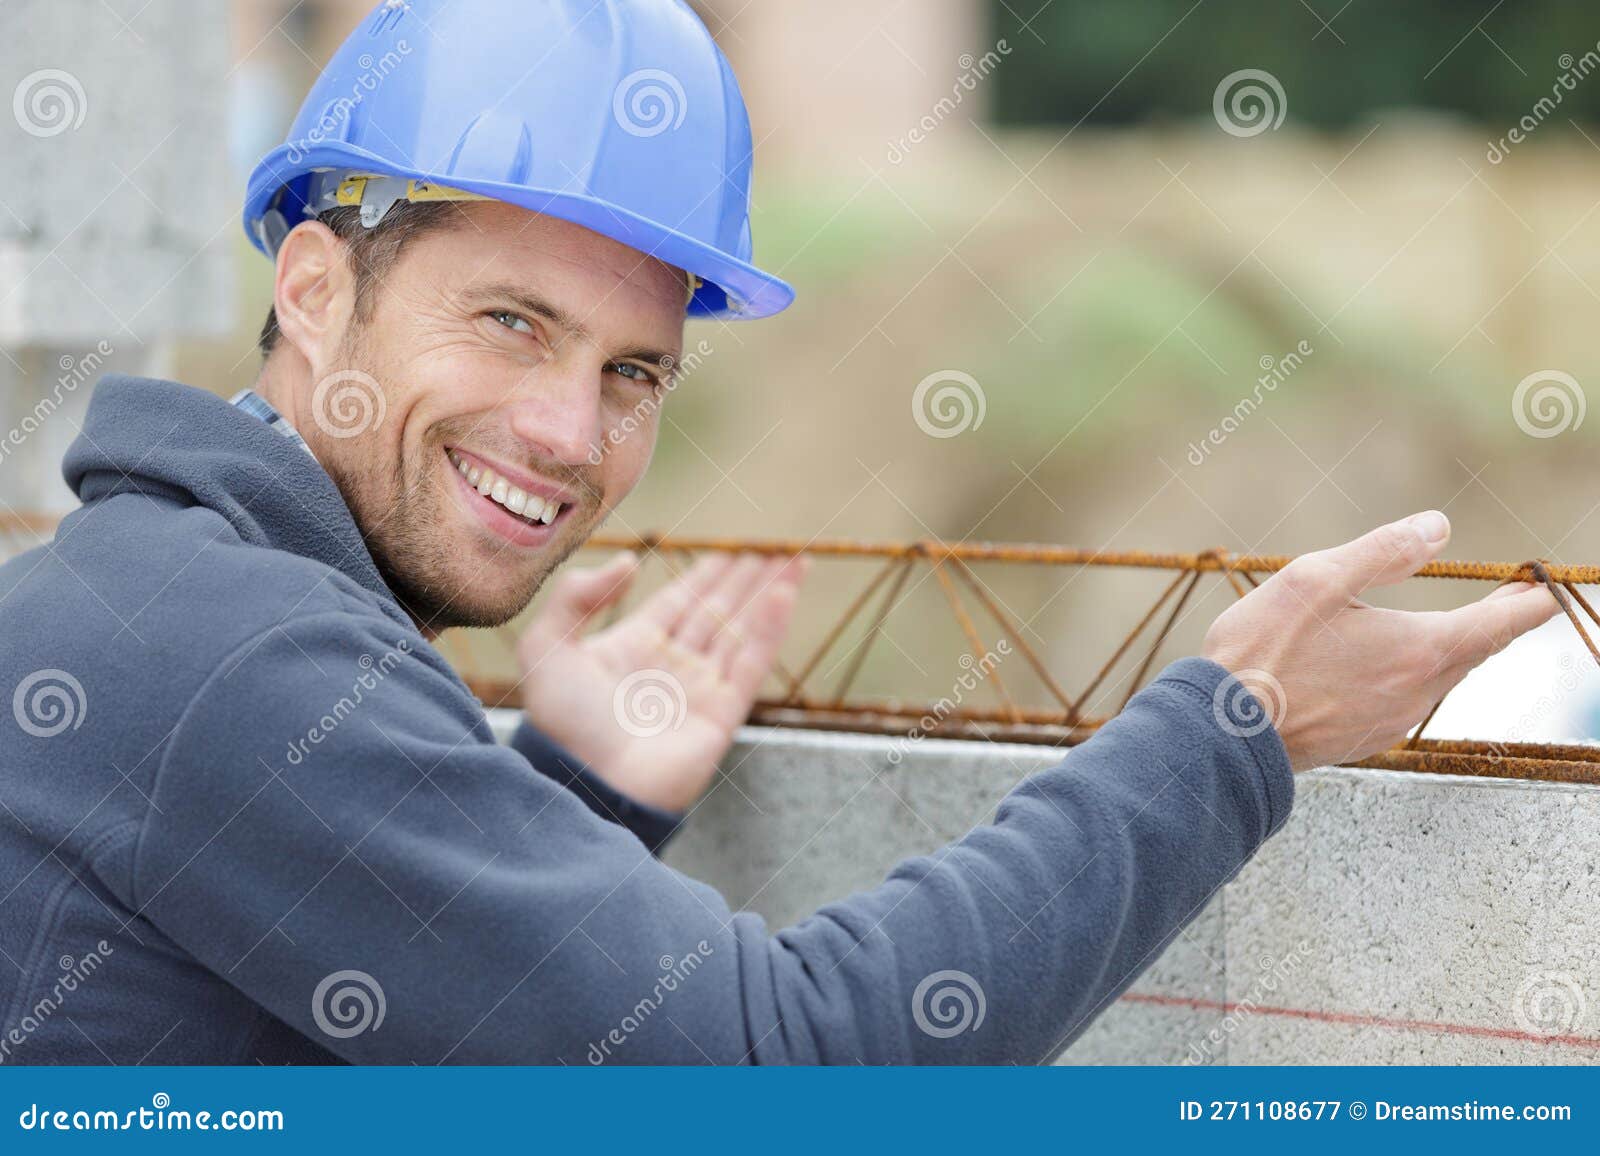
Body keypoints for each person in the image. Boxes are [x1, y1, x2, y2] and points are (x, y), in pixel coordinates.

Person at [0, 0, 1558, 1066]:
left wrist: (573, 797)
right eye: (508, 321)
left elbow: (357, 1015)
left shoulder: (145, 601)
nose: (567, 430)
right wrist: (1239, 731)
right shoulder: (241, 662)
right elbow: (782, 1071)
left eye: (631, 374)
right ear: (316, 290)